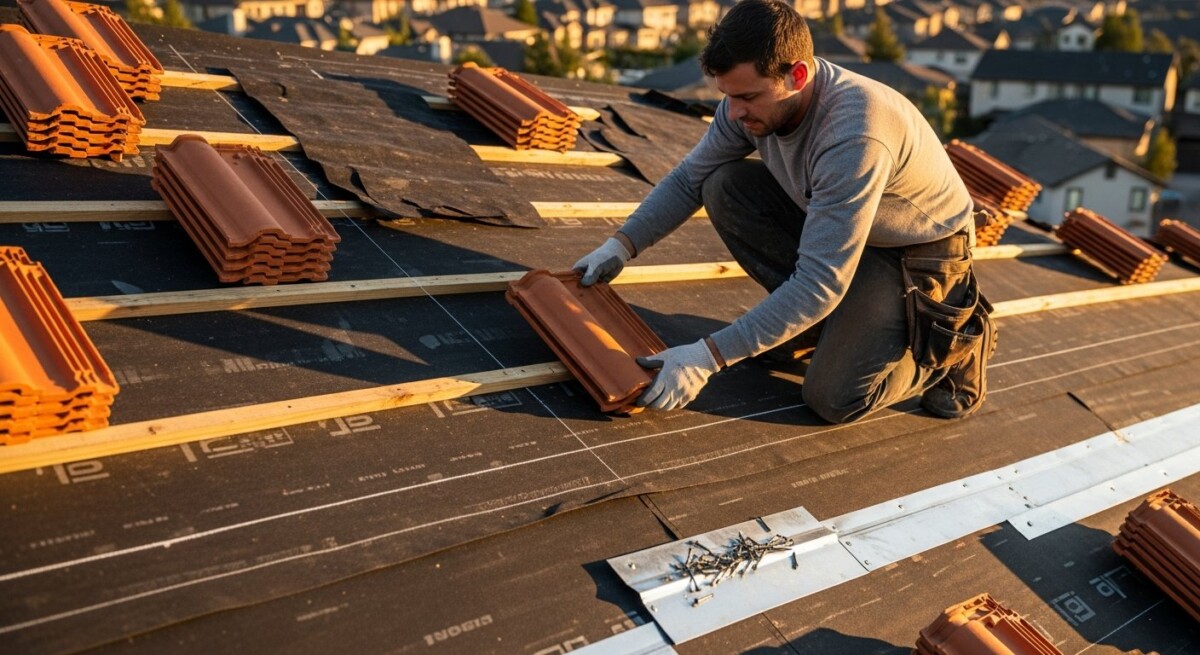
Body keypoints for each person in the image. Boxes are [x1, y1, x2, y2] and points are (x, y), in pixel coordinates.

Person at [572, 0, 996, 424]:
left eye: (748, 97)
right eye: (727, 96)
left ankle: (952, 346)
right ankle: (821, 328)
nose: (734, 112)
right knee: (723, 185)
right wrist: (621, 245)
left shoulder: (854, 133)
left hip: (916, 254)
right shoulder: (743, 105)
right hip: (847, 230)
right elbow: (689, 180)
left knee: (834, 398)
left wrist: (708, 357)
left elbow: (819, 282)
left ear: (797, 75)